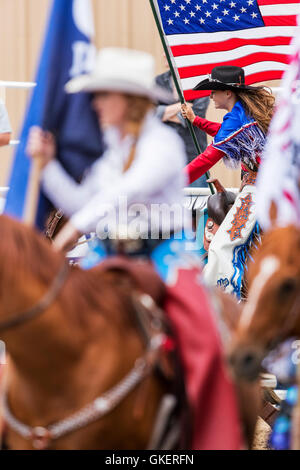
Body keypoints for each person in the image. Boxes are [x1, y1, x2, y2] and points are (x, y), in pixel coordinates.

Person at [27, 48, 189, 252]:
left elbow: (129, 190)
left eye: (104, 95)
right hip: (112, 249)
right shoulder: (112, 148)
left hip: (163, 249)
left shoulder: (163, 143)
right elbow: (82, 203)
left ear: (129, 99)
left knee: (182, 285)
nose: (96, 104)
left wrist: (75, 227)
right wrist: (48, 165)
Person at [181, 65, 275, 299]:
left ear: (228, 93)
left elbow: (207, 158)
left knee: (222, 246)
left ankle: (223, 304)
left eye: (214, 90)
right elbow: (224, 132)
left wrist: (173, 182)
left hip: (260, 190)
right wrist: (197, 122)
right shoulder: (243, 114)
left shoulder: (237, 118)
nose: (210, 95)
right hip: (264, 188)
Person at [155, 64, 209, 188]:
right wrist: (182, 106)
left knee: (197, 202)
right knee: (168, 205)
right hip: (165, 157)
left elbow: (196, 115)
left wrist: (163, 113)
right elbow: (151, 114)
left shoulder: (198, 80)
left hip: (194, 157)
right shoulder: (159, 81)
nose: (164, 54)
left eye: (167, 50)